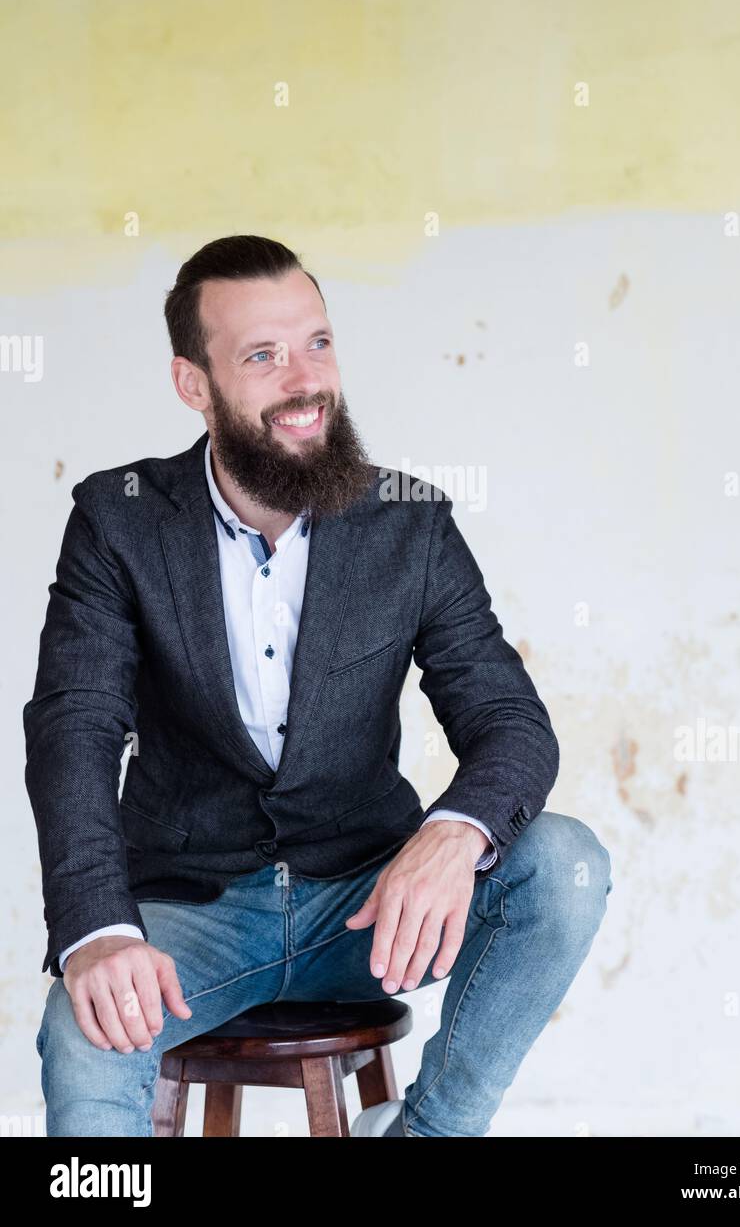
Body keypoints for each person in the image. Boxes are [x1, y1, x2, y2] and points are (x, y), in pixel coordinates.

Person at [26, 234, 613, 1137]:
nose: (305, 382)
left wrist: (453, 836)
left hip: (369, 911)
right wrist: (98, 933)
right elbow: (75, 729)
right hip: (191, 918)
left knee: (566, 864)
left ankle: (429, 1136)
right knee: (82, 1025)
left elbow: (509, 722)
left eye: (318, 343)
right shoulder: (119, 520)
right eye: (262, 355)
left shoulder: (410, 524)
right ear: (194, 384)